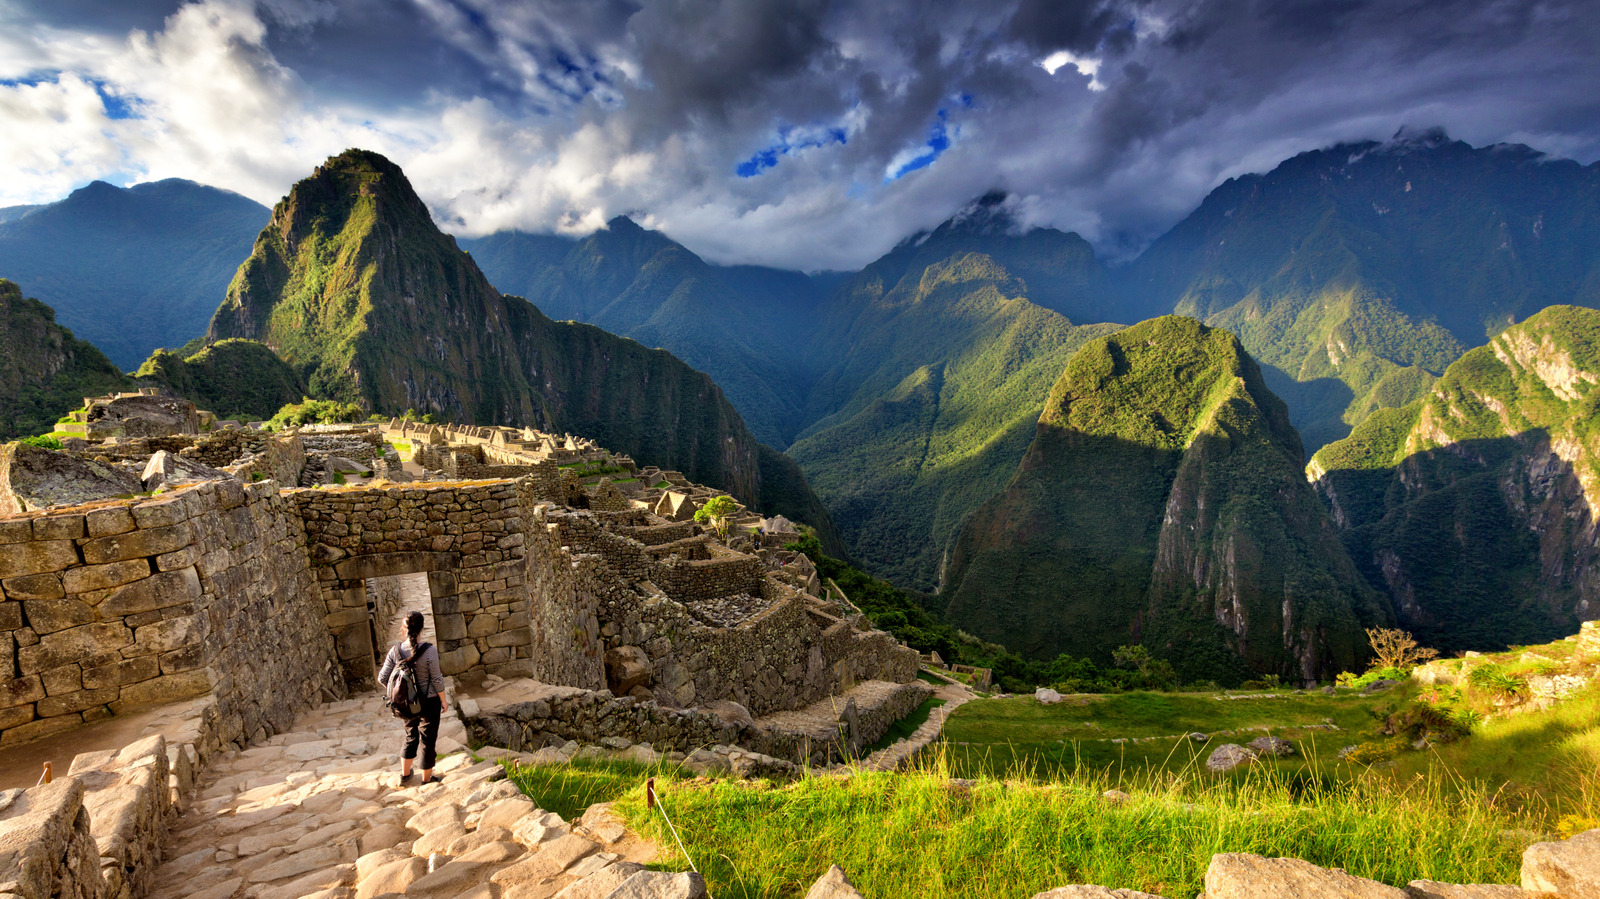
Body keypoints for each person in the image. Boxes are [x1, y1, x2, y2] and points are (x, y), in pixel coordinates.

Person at [377, 611, 449, 785]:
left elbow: (382, 677)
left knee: (410, 736)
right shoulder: (429, 651)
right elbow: (437, 679)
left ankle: (405, 774)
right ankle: (426, 778)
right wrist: (443, 700)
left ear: (404, 628)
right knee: (427, 739)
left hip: (405, 705)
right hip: (429, 701)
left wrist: (397, 693)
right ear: (422, 628)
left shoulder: (395, 651)